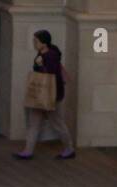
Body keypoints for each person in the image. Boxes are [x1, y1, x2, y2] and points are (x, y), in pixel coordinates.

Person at [14, 30, 74, 160]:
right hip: (42, 95)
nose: (34, 43)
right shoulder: (44, 53)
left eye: (36, 41)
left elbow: (50, 75)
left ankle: (69, 148)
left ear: (44, 42)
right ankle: (27, 151)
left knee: (56, 123)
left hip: (50, 96)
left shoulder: (50, 55)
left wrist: (41, 65)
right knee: (35, 122)